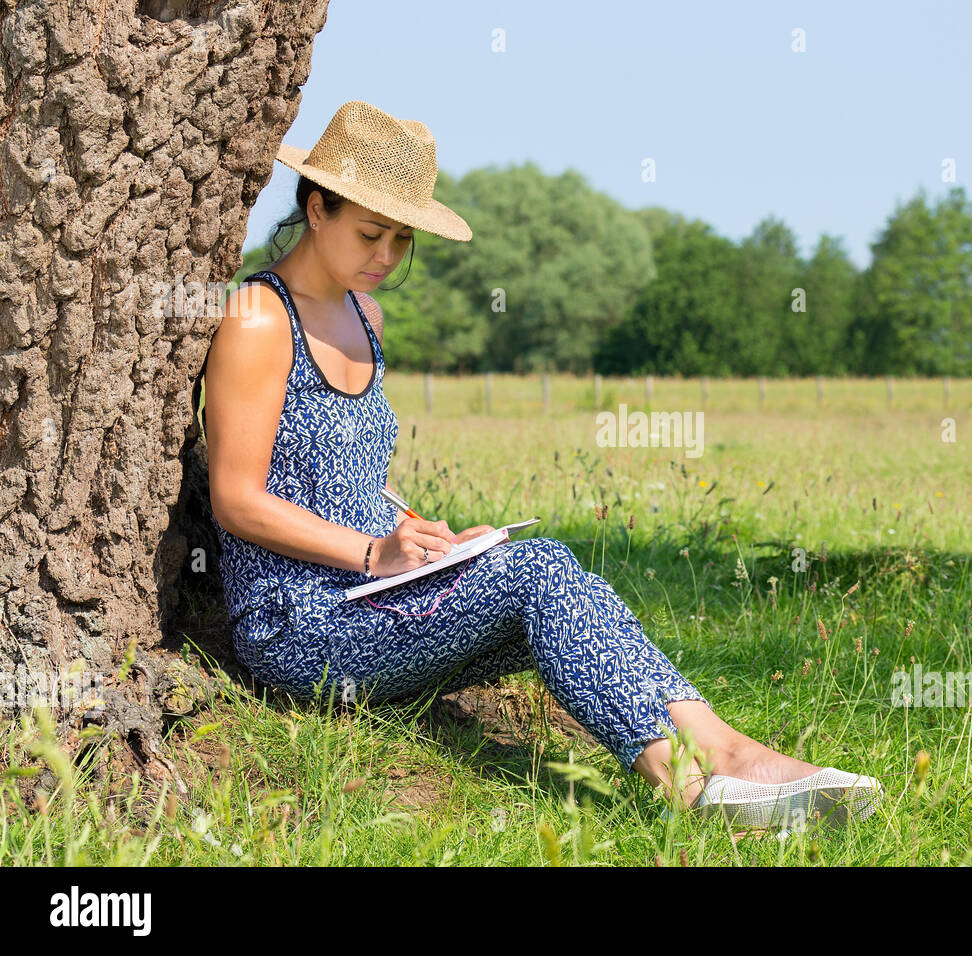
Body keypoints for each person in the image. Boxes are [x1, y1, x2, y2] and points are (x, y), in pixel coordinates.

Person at [201, 100, 883, 831]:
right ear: (316, 208)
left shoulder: (367, 317)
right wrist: (373, 552)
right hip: (301, 627)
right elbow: (237, 499)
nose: (387, 257)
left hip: (380, 599)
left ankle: (721, 762)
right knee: (538, 572)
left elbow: (348, 475)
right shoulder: (258, 318)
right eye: (371, 233)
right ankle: (701, 779)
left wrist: (425, 539)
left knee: (544, 569)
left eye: (403, 239)